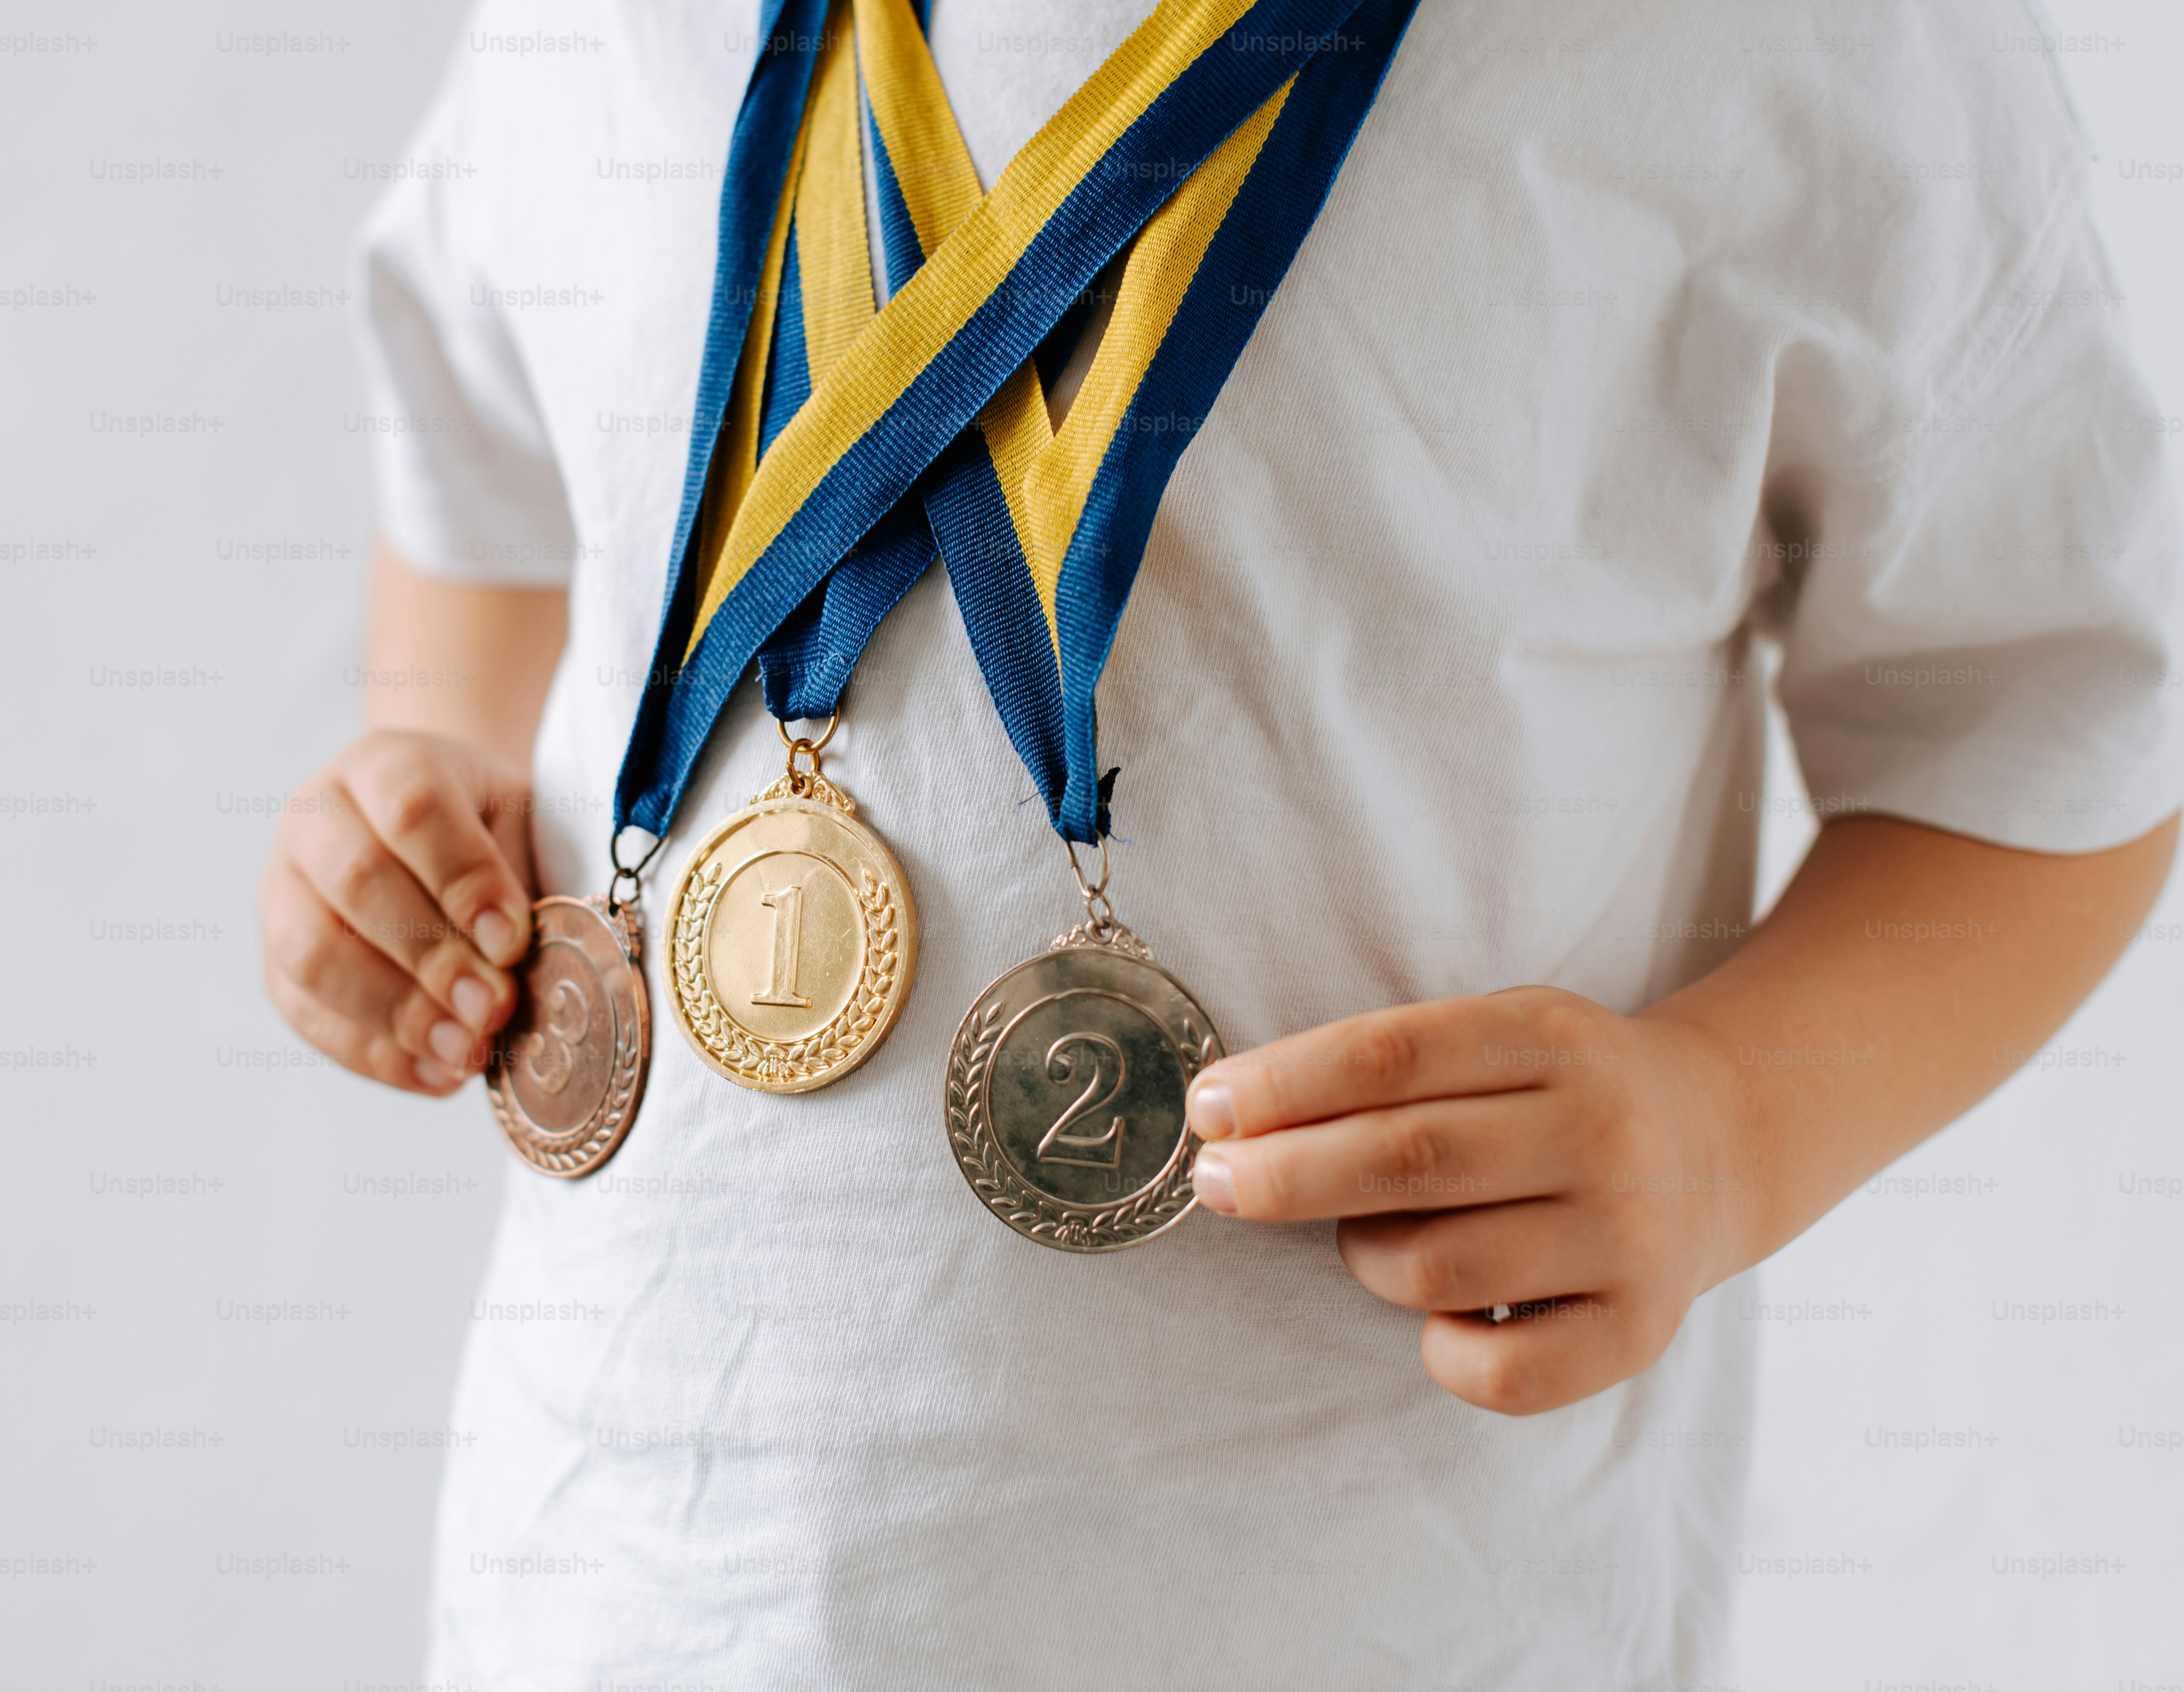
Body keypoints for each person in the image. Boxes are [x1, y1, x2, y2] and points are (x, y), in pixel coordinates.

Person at [257, 2, 2181, 1684]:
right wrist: (419, 765)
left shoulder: (1789, 40)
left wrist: (1735, 1120)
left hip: (1381, 1611)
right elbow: (485, 472)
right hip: (617, 1592)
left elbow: (2050, 731)